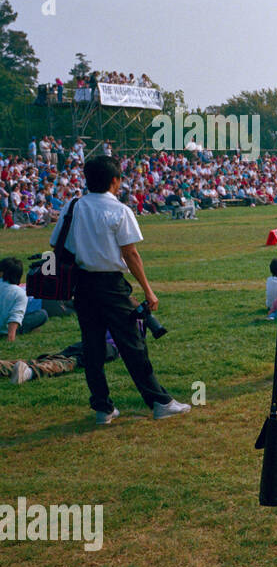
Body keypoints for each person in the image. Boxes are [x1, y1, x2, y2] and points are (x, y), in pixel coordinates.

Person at [49, 155, 190, 424]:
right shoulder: (119, 211)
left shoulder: (72, 205)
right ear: (115, 181)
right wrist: (148, 290)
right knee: (133, 345)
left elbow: (56, 242)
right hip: (111, 285)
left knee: (92, 347)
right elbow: (131, 254)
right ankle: (159, 401)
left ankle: (102, 407)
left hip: (82, 285)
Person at [1, 257, 47, 339]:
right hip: (6, 330)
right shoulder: (20, 293)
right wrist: (11, 337)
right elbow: (15, 316)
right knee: (42, 314)